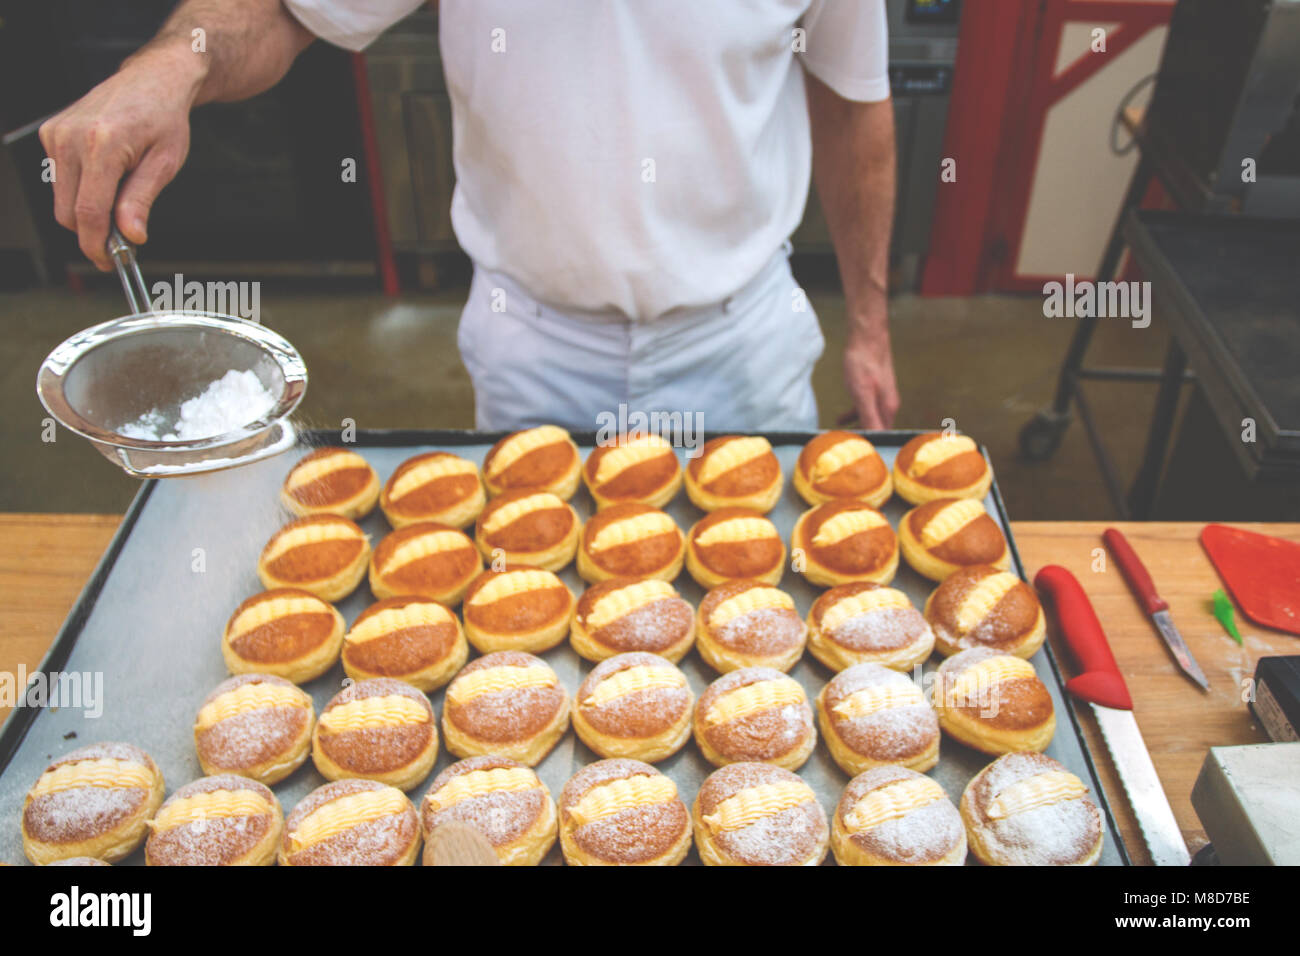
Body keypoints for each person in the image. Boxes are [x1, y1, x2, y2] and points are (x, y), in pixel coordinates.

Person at [39, 0, 900, 432]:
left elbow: (854, 106)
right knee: (522, 659)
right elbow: (283, 11)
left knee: (760, 647)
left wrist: (870, 325)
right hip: (536, 345)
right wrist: (171, 67)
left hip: (740, 339)